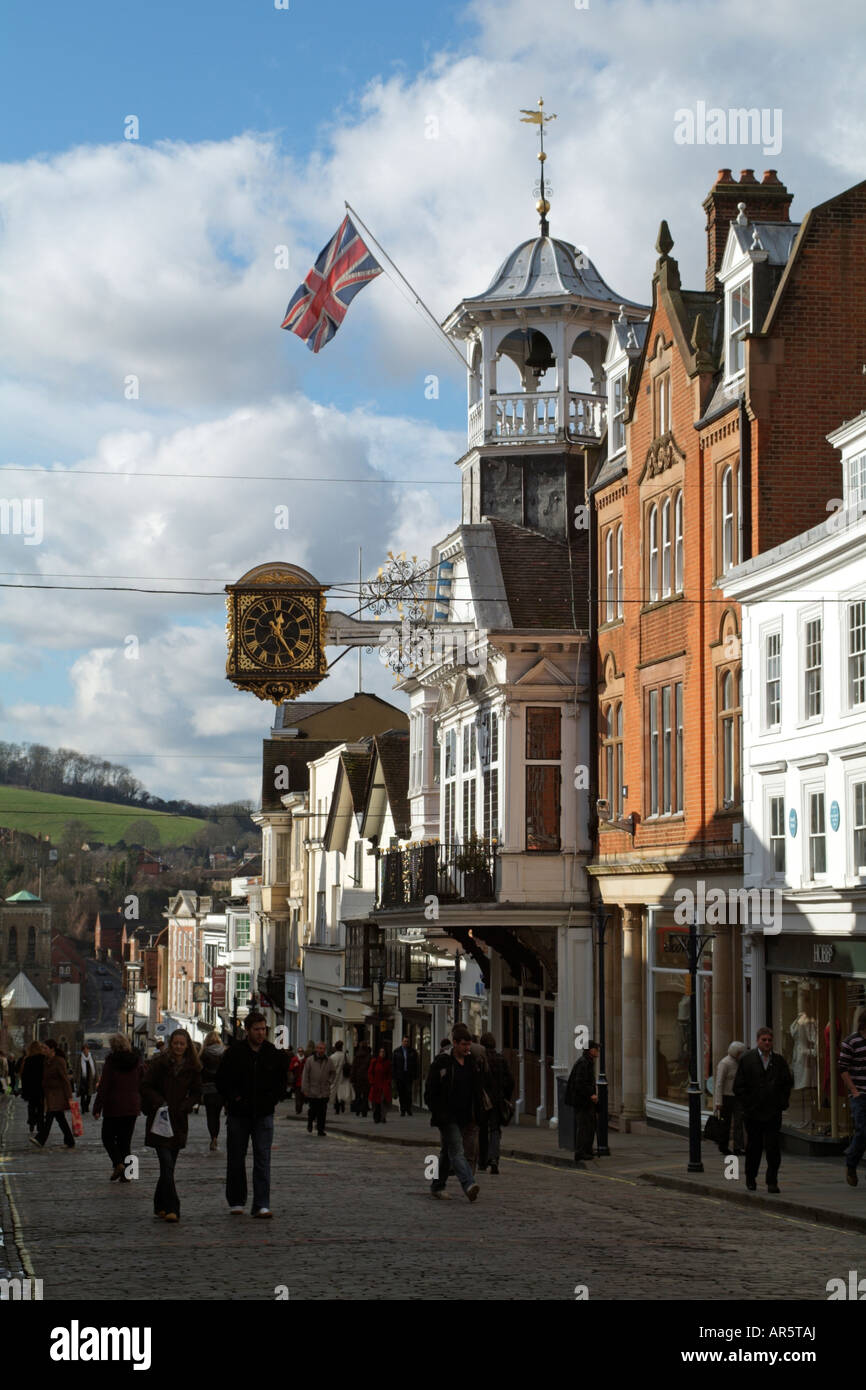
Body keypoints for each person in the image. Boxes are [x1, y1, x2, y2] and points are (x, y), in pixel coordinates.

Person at [216, 1011, 289, 1218]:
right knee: (236, 1159)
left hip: (263, 1114)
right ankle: (237, 1201)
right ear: (247, 1030)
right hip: (239, 1114)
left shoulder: (272, 1053)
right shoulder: (234, 1053)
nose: (261, 1033)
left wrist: (272, 1099)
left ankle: (261, 1204)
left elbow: (282, 1082)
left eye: (263, 1029)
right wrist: (235, 1098)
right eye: (256, 1029)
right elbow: (222, 1080)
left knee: (263, 1159)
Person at [140, 1027, 202, 1222]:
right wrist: (159, 1101)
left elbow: (196, 1093)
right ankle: (173, 1208)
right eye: (175, 1043)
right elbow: (145, 1086)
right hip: (160, 1120)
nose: (178, 1047)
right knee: (166, 1164)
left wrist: (186, 1106)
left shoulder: (192, 1068)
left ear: (187, 1045)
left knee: (169, 1166)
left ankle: (160, 1204)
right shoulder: (159, 1064)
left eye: (182, 1044)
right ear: (170, 1044)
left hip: (178, 1121)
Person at [424, 1022, 483, 1202]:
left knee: (446, 1153)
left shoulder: (471, 1062)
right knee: (457, 1151)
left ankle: (437, 1185)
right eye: (464, 1045)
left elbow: (476, 1089)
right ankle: (469, 1184)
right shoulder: (443, 1062)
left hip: (465, 1115)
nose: (467, 1048)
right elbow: (431, 1090)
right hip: (447, 1116)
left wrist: (477, 1113)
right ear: (455, 1043)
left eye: (468, 1045)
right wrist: (437, 1111)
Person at [733, 1026, 793, 1193]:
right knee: (754, 1148)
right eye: (763, 1040)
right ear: (758, 1041)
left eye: (769, 1040)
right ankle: (751, 1177)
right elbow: (738, 1086)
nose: (767, 1043)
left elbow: (786, 1083)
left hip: (773, 1113)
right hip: (753, 1113)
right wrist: (748, 1105)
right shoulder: (747, 1059)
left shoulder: (779, 1061)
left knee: (773, 1148)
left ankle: (772, 1181)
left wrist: (781, 1103)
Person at [92, 1033, 144, 1181]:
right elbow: (143, 1082)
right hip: (132, 1106)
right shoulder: (137, 1061)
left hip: (113, 1106)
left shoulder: (111, 1062)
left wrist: (97, 1108)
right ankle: (129, 1174)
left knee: (107, 1137)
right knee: (125, 1141)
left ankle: (118, 1163)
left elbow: (104, 1086)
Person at [478, 1032, 514, 1175]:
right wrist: (505, 1096)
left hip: (483, 1100)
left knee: (482, 1130)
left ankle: (482, 1162)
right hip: (498, 1100)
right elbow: (510, 1081)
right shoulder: (501, 1059)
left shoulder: (480, 1060)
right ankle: (494, 1159)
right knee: (494, 1130)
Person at [31, 1039, 75, 1149]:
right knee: (60, 1118)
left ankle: (40, 1139)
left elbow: (65, 1080)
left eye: (45, 1048)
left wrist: (69, 1097)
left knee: (49, 1117)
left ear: (52, 1049)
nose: (43, 1050)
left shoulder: (59, 1061)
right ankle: (70, 1140)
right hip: (49, 1094)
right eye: (43, 1048)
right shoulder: (46, 1061)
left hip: (58, 1095)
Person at [839, 1007, 866, 1187]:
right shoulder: (851, 1042)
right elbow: (843, 1069)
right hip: (860, 1094)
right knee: (863, 1130)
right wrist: (854, 1092)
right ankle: (851, 1161)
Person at [565, 1039, 600, 1163]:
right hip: (582, 1101)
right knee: (584, 1126)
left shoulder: (587, 1061)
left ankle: (587, 1150)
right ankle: (581, 1152)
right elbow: (580, 1083)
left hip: (584, 1100)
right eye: (596, 1049)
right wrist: (591, 1095)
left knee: (589, 1125)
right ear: (590, 1050)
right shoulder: (584, 1063)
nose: (597, 1052)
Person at [714, 1041, 746, 1155]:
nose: (741, 1055)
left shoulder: (739, 1063)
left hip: (737, 1096)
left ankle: (738, 1147)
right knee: (725, 1123)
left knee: (738, 1122)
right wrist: (718, 1102)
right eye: (740, 1053)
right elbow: (719, 1083)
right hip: (726, 1097)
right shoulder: (725, 1063)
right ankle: (723, 1146)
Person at [200, 1030, 226, 1152]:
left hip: (208, 1089)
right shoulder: (224, 1052)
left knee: (210, 1115)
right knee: (217, 1115)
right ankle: (216, 1136)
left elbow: (199, 1070)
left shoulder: (204, 1053)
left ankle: (213, 1137)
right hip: (220, 1089)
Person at [302, 1041, 335, 1136]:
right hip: (313, 1090)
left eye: (323, 1049)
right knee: (313, 1109)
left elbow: (333, 1072)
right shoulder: (310, 1060)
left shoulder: (329, 1061)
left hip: (324, 1090)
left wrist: (330, 1081)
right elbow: (305, 1075)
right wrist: (305, 1089)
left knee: (322, 1111)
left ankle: (321, 1129)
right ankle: (310, 1122)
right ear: (316, 1049)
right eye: (319, 1048)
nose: (321, 1050)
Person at [20, 1041, 45, 1133]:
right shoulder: (43, 1059)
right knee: (40, 1107)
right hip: (40, 1087)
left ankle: (31, 1121)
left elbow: (24, 1075)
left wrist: (24, 1088)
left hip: (30, 1088)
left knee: (31, 1105)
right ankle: (40, 1125)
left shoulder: (28, 1060)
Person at [391, 1036, 419, 1117]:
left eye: (407, 1041)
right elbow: (393, 1065)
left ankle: (408, 1109)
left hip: (408, 1075)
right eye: (404, 1041)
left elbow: (416, 1064)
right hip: (400, 1075)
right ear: (402, 1042)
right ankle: (403, 1110)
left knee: (408, 1093)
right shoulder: (396, 1052)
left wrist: (415, 1075)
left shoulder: (412, 1052)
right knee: (401, 1093)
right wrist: (394, 1076)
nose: (406, 1043)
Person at [368, 1046, 392, 1124]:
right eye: (381, 1052)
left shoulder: (387, 1062)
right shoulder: (374, 1061)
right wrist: (371, 1081)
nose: (382, 1053)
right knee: (375, 1102)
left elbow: (389, 1074)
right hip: (375, 1085)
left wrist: (388, 1081)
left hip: (384, 1085)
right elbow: (370, 1072)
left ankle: (383, 1117)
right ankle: (376, 1117)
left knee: (383, 1101)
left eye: (383, 1052)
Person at [74, 1043, 98, 1114]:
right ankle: (83, 1108)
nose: (85, 1050)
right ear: (82, 1050)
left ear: (88, 1049)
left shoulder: (91, 1058)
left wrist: (96, 1078)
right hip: (82, 1079)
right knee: (82, 1094)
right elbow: (76, 1069)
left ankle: (87, 1105)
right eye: (84, 1049)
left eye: (87, 1049)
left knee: (89, 1094)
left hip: (90, 1079)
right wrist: (76, 1078)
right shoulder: (79, 1058)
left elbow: (95, 1068)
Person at [329, 1041, 352, 1115]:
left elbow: (330, 1067)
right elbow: (349, 1063)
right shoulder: (345, 1055)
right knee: (342, 1090)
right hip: (344, 1076)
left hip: (335, 1076)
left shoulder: (332, 1056)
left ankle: (337, 1107)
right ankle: (342, 1102)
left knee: (335, 1092)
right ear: (341, 1047)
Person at [350, 1037, 371, 1117]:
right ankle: (364, 1111)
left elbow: (354, 1067)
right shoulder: (369, 1056)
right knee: (365, 1096)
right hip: (366, 1079)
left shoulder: (357, 1056)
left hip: (358, 1078)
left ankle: (358, 1110)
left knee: (358, 1095)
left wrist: (352, 1078)